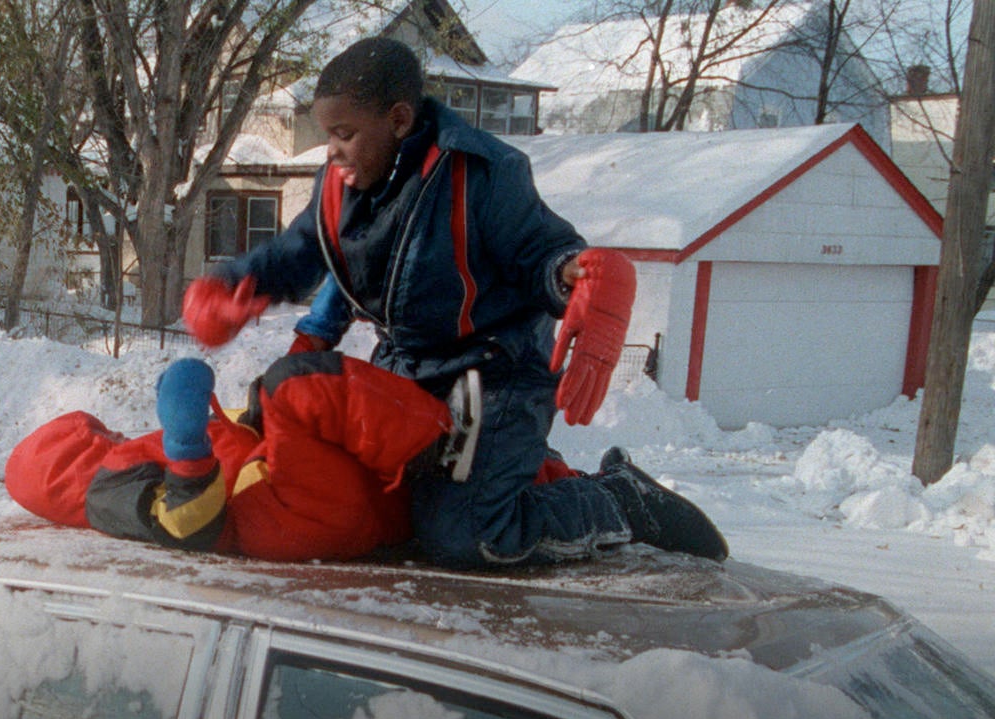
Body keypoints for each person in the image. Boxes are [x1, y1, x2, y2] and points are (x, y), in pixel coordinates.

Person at [182, 37, 725, 566]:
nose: (332, 150)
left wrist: (581, 278)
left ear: (398, 121)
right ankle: (511, 473)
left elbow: (544, 255)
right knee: (382, 507)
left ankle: (618, 499)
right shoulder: (338, 187)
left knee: (464, 536)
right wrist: (233, 285)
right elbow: (296, 255)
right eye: (328, 134)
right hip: (406, 371)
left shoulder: (483, 173)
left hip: (495, 373)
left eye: (344, 134)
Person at [8, 355, 456, 561]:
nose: (115, 432)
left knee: (283, 397)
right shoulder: (104, 491)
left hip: (285, 501)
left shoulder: (120, 469)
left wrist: (253, 418)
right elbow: (186, 524)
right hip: (273, 514)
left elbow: (232, 443)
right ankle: (442, 435)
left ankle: (481, 475)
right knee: (291, 387)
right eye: (98, 432)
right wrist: (185, 440)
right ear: (74, 450)